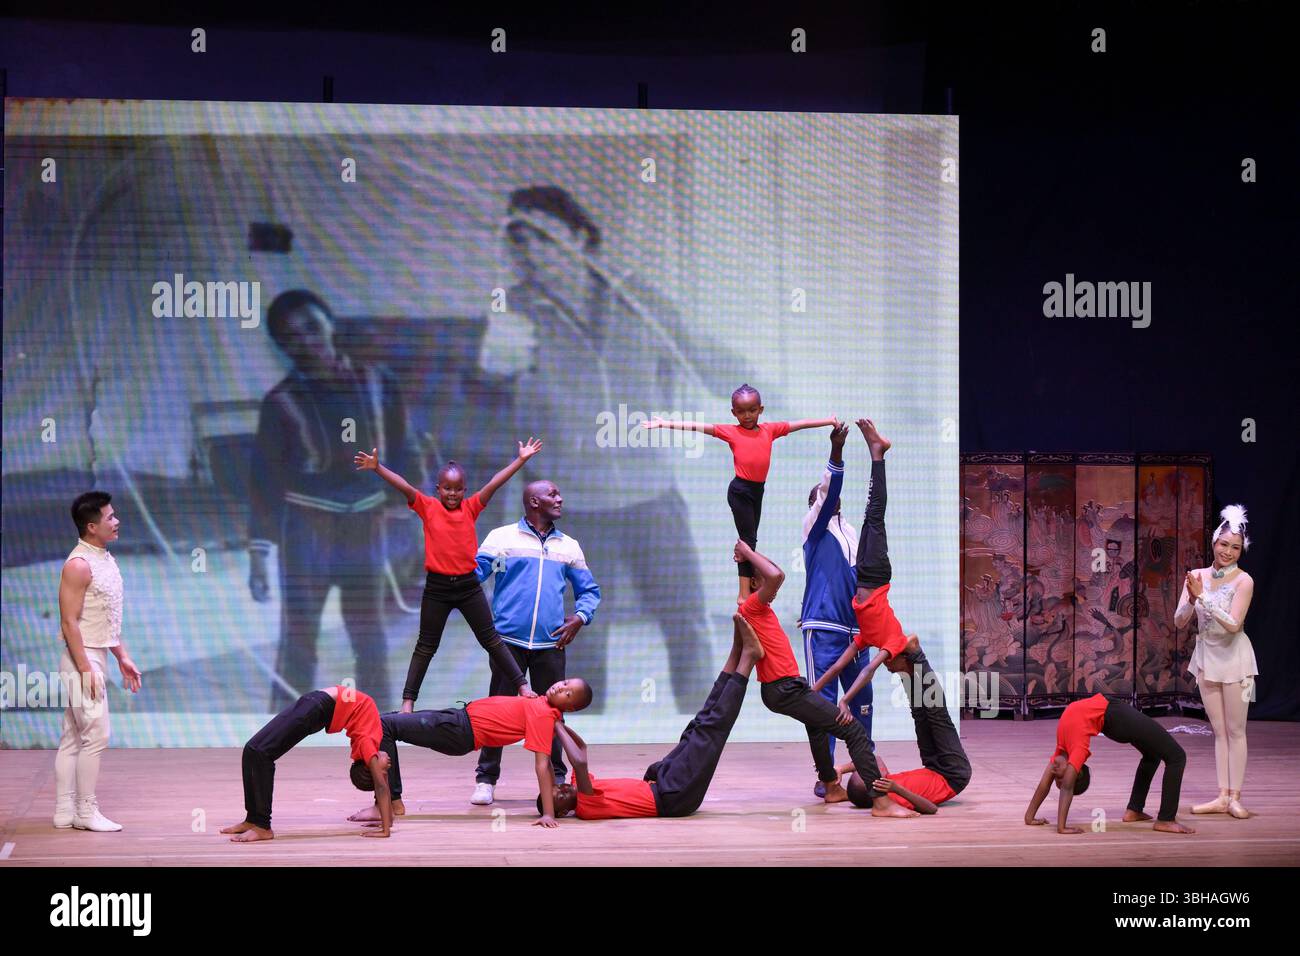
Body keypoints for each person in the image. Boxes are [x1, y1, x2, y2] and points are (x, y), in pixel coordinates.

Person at [488, 184, 747, 713]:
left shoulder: (638, 298)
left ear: (581, 239)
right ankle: (585, 744)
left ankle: (702, 736)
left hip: (651, 493)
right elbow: (491, 379)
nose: (529, 251)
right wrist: (499, 360)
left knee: (685, 619)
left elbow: (701, 353)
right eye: (518, 240)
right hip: (575, 504)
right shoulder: (514, 308)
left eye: (541, 236)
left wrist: (772, 406)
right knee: (578, 632)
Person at [249, 289, 423, 709]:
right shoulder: (281, 402)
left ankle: (381, 728)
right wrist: (258, 555)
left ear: (330, 323)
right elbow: (263, 482)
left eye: (311, 327)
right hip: (308, 532)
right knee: (299, 636)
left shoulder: (380, 383)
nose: (305, 341)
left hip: (365, 529)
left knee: (370, 636)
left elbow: (405, 451)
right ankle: (285, 730)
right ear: (281, 347)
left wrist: (418, 516)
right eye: (290, 337)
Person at [354, 439, 544, 710]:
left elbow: (494, 483)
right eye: (447, 488)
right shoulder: (427, 506)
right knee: (426, 646)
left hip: (468, 586)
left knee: (491, 639)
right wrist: (377, 468)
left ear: (465, 491)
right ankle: (408, 701)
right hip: (437, 589)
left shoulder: (471, 507)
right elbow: (404, 486)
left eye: (457, 489)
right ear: (438, 489)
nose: (452, 494)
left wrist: (521, 460)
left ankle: (522, 685)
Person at [734, 540, 911, 816]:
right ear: (756, 585)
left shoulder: (759, 608)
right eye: (761, 580)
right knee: (852, 730)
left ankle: (831, 786)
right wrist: (745, 552)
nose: (773, 590)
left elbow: (774, 572)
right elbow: (777, 576)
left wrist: (749, 555)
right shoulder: (753, 607)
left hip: (785, 687)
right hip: (784, 688)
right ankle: (881, 802)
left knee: (817, 727)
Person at [542, 615, 764, 820]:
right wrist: (555, 724)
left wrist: (558, 723)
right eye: (559, 796)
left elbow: (581, 748)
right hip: (673, 796)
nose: (562, 789)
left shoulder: (576, 785)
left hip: (662, 783)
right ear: (561, 812)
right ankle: (748, 659)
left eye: (556, 786)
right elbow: (578, 762)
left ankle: (737, 651)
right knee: (710, 731)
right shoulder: (585, 808)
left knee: (697, 726)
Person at [470, 479, 601, 804]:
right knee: (497, 711)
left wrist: (580, 617)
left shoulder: (568, 546)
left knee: (553, 714)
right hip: (507, 643)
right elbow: (473, 578)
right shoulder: (501, 538)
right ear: (533, 502)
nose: (560, 498)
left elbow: (589, 591)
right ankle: (486, 779)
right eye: (552, 494)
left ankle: (556, 778)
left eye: (558, 492)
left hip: (549, 645)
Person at [645, 387, 836, 599]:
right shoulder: (732, 432)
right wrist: (664, 423)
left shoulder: (769, 430)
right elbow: (698, 427)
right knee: (747, 542)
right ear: (733, 413)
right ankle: (743, 593)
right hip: (740, 491)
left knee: (750, 542)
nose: (747, 416)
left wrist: (827, 421)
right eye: (742, 411)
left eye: (752, 410)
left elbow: (798, 424)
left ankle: (749, 586)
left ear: (761, 409)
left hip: (757, 491)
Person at [348, 678, 593, 829]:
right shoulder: (544, 707)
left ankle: (387, 805)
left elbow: (542, 764)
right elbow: (548, 764)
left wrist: (549, 812)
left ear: (569, 707)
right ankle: (392, 803)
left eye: (567, 693)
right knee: (387, 723)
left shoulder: (544, 716)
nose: (561, 687)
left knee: (385, 725)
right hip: (458, 719)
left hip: (460, 730)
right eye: (565, 683)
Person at [53, 491, 143, 832]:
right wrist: (86, 668)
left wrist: (122, 656)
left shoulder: (104, 558)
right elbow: (69, 622)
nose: (116, 521)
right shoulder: (78, 565)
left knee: (74, 735)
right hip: (82, 658)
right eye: (110, 518)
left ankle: (64, 810)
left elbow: (105, 616)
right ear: (92, 527)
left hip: (97, 653)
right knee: (97, 734)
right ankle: (86, 812)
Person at [809, 419, 912, 716]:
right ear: (902, 659)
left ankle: (877, 453)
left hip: (867, 576)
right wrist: (844, 700)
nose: (889, 668)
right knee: (876, 514)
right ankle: (877, 454)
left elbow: (844, 664)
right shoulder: (894, 643)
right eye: (896, 669)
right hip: (877, 577)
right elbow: (867, 671)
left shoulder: (868, 637)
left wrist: (814, 689)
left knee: (871, 514)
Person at [797, 422, 871, 798]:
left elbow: (860, 581)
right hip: (823, 628)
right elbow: (828, 493)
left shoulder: (853, 532)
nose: (828, 499)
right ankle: (826, 776)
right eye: (823, 497)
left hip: (854, 631)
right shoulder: (814, 526)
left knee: (863, 702)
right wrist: (837, 451)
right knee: (824, 705)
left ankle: (865, 772)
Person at [220, 684, 392, 843]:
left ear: (371, 767)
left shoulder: (367, 744)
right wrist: (387, 824)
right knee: (252, 749)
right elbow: (381, 785)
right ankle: (252, 820)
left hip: (317, 708)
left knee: (261, 753)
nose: (389, 766)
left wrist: (385, 831)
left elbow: (381, 787)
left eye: (384, 771)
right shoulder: (371, 744)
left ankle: (262, 827)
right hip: (315, 703)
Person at [1177, 504, 1258, 819]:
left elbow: (1234, 624)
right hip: (1208, 659)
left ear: (1242, 550)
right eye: (1224, 544)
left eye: (1235, 547)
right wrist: (1192, 599)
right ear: (1213, 543)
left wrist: (1205, 598)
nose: (1228, 551)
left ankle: (1235, 797)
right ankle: (1222, 795)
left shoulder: (1244, 581)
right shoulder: (1196, 576)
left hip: (1237, 661)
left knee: (1237, 730)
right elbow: (1180, 621)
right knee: (1219, 730)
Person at [1023, 692, 1194, 834]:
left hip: (1113, 715)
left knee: (1152, 755)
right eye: (1060, 779)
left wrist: (1029, 817)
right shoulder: (1078, 750)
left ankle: (1134, 810)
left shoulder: (1061, 753)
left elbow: (1045, 785)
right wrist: (1062, 827)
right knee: (1177, 757)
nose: (1055, 775)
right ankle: (1165, 819)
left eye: (1057, 780)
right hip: (1116, 715)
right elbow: (1067, 787)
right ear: (1077, 772)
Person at [839, 637, 972, 814]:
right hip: (953, 775)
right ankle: (917, 654)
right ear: (875, 786)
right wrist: (896, 789)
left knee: (919, 713)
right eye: (868, 774)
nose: (871, 770)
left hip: (933, 766)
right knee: (937, 715)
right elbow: (931, 809)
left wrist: (840, 768)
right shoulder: (891, 797)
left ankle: (904, 670)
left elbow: (875, 760)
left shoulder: (884, 782)